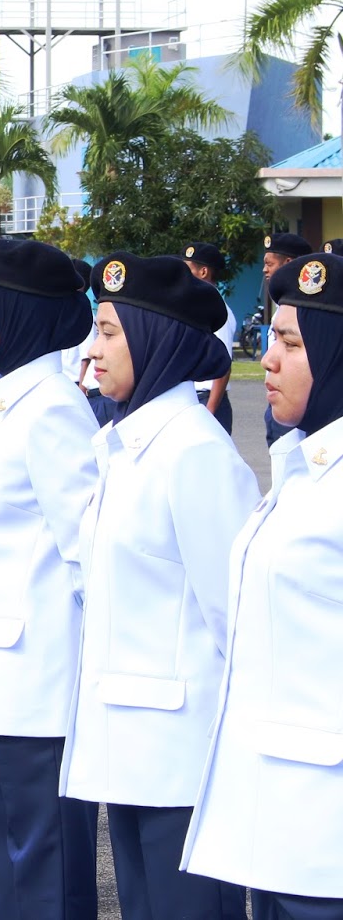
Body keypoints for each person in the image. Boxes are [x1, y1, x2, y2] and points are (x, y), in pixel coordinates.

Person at [61, 252, 258, 920]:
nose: (93, 349)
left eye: (111, 331)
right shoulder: (125, 446)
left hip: (183, 760)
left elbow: (237, 624)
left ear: (155, 335)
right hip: (128, 748)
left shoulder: (195, 454)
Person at [0, 239, 102, 920]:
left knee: (43, 866)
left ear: (19, 310)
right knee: (8, 864)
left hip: (34, 680)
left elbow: (85, 553)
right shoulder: (6, 401)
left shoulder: (53, 409)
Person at [183, 251, 343, 920]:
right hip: (274, 811)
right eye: (272, 339)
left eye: (293, 343)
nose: (268, 360)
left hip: (323, 831)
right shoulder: (301, 467)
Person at [181, 242, 237, 433]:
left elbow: (224, 364)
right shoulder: (198, 309)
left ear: (203, 272)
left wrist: (211, 409)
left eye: (188, 269)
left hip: (209, 399)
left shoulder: (219, 312)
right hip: (192, 399)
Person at [264, 233, 314, 446]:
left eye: (269, 263)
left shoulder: (305, 313)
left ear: (289, 264)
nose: (264, 269)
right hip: (278, 396)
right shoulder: (282, 309)